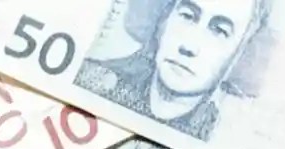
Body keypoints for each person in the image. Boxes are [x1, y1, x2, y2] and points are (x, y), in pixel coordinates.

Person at [76, 0, 270, 141]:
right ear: (165, 19)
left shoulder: (228, 135)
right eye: (187, 16)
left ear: (239, 52)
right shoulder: (92, 76)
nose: (189, 46)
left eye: (219, 31)